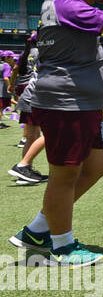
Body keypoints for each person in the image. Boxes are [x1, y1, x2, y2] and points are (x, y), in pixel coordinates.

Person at [8, 0, 103, 266]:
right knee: (65, 176)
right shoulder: (68, 5)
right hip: (68, 103)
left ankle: (37, 230)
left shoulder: (63, 5)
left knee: (98, 164)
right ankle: (62, 247)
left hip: (82, 103)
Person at [8, 32, 48, 184]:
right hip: (35, 96)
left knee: (31, 137)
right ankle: (24, 167)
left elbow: (15, 70)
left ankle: (25, 171)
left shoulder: (26, 53)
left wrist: (12, 85)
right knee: (49, 133)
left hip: (26, 93)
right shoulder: (43, 52)